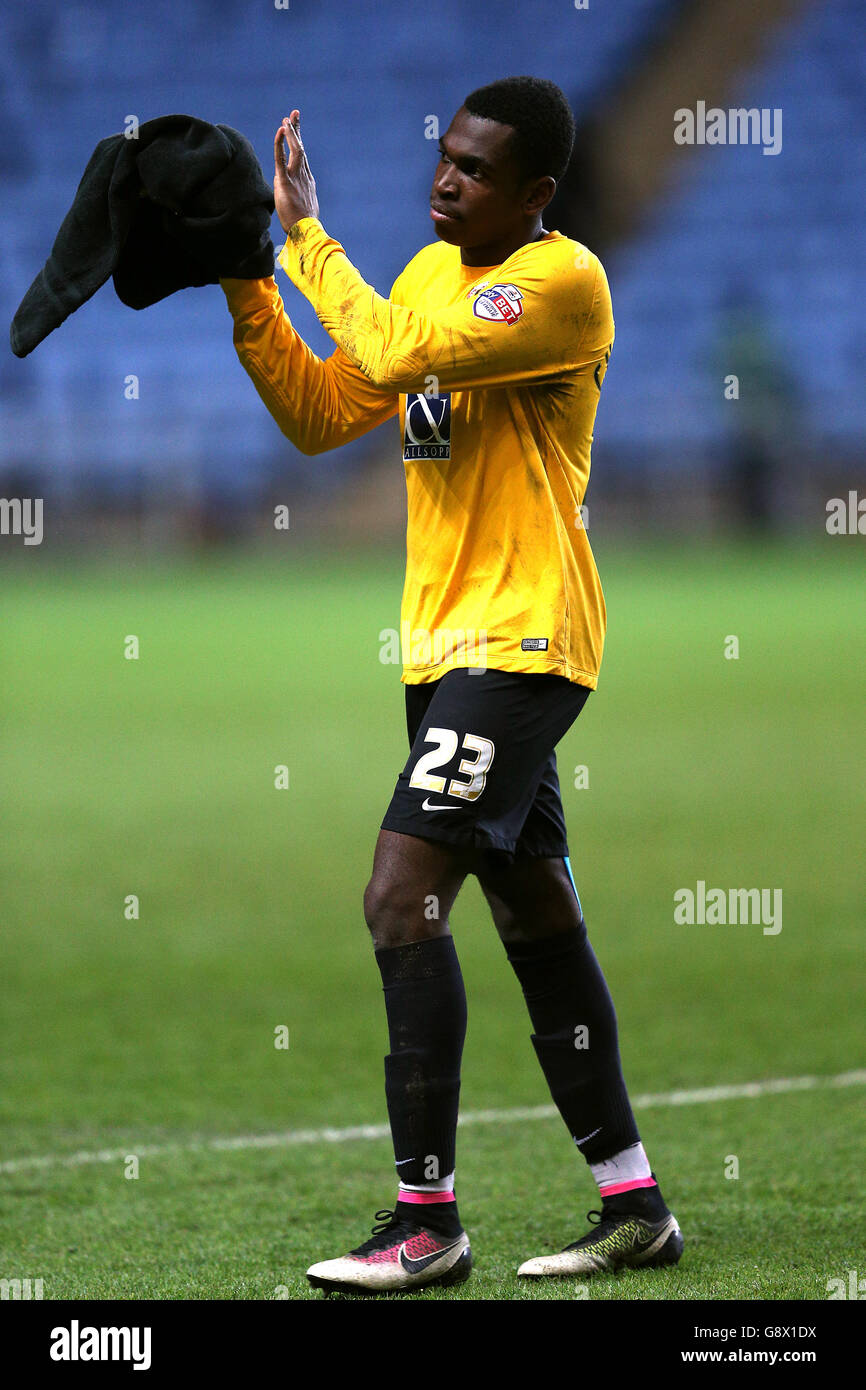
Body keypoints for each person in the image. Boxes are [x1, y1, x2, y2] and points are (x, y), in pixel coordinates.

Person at [219, 76, 682, 1294]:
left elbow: (401, 347)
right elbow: (327, 410)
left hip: (523, 642)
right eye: (443, 157)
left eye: (475, 170)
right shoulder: (425, 275)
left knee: (397, 893)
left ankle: (425, 1221)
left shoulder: (559, 284)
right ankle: (634, 1203)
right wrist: (245, 281)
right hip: (441, 650)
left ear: (533, 194)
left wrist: (303, 241)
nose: (445, 179)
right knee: (536, 917)